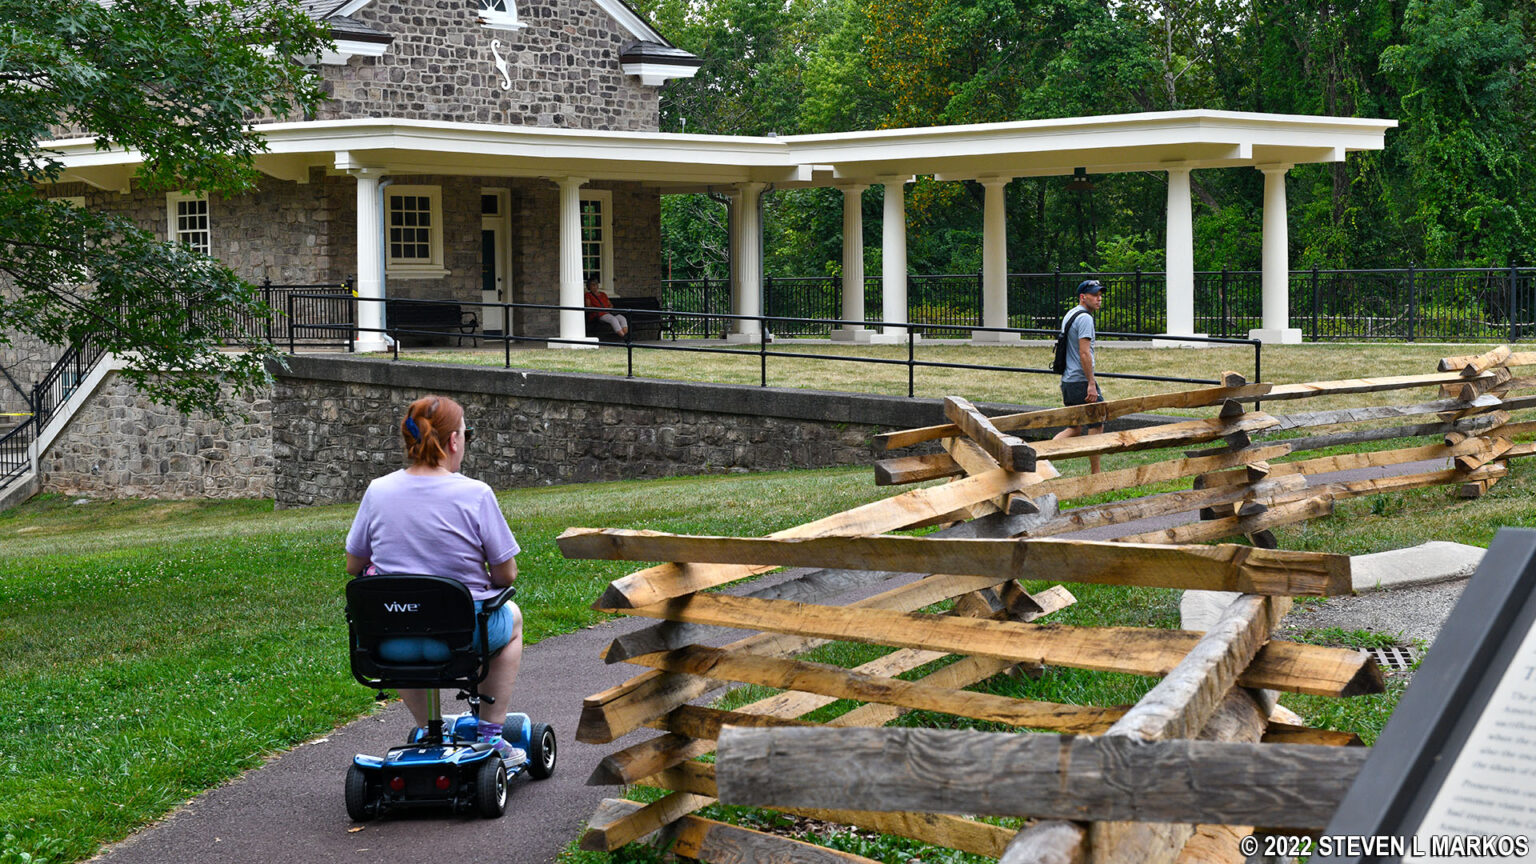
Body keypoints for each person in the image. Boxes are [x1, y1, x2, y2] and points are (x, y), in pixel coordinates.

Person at [344, 395, 527, 767]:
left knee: (402, 619)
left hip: (391, 643)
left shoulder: (378, 491)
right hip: (461, 638)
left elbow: (354, 564)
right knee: (512, 617)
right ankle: (491, 736)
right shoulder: (475, 494)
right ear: (454, 441)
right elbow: (506, 574)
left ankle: (430, 730)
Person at [1052, 279, 1106, 474]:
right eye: (1094, 295)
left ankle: (1042, 457)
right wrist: (1091, 383)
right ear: (1083, 297)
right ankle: (1096, 474)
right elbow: (1084, 353)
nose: (1099, 298)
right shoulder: (1085, 318)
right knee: (1097, 422)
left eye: (1100, 294)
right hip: (1080, 381)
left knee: (1075, 428)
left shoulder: (1071, 314)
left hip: (1069, 381)